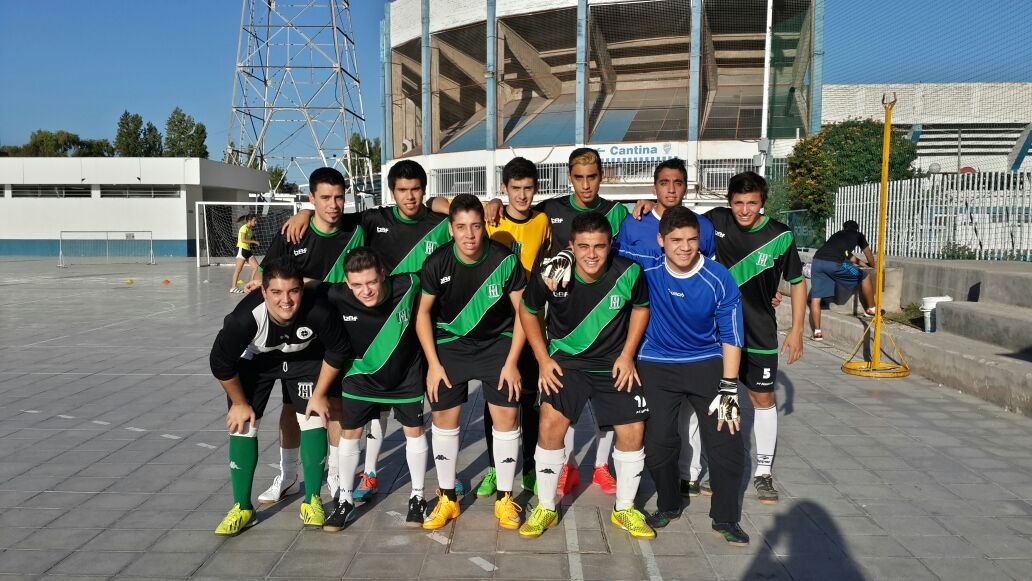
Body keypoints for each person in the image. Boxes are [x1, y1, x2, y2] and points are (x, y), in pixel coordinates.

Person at [283, 159, 456, 502]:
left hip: (423, 319)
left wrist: (447, 204)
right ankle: (371, 471)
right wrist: (304, 212)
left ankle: (444, 473)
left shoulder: (440, 219)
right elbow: (330, 215)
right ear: (392, 193)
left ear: (425, 191)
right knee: (378, 403)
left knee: (424, 399)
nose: (410, 197)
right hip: (379, 319)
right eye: (402, 191)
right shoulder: (375, 219)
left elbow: (451, 209)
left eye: (416, 190)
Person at [489, 147, 627, 497]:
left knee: (605, 401)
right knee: (555, 397)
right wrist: (491, 201)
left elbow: (638, 249)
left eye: (592, 177)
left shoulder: (618, 212)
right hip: (558, 323)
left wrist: (648, 207)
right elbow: (515, 212)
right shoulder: (549, 210)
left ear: (601, 175)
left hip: (605, 324)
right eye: (579, 178)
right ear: (569, 178)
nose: (586, 185)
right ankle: (561, 464)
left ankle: (600, 466)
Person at [617, 207, 750, 545]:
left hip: (706, 363)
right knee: (659, 444)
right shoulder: (647, 268)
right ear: (661, 241)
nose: (685, 247)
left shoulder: (719, 277)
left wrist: (730, 387)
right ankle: (669, 503)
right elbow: (597, 247)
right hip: (656, 363)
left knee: (728, 441)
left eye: (692, 240)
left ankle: (726, 517)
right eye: (676, 240)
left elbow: (731, 335)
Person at [517, 212, 654, 540]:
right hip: (567, 365)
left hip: (613, 366)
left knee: (634, 429)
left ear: (610, 246)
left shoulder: (630, 273)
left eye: (599, 246)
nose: (592, 254)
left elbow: (641, 308)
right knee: (550, 424)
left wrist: (627, 355)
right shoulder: (553, 274)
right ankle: (547, 506)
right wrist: (542, 359)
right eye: (584, 246)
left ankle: (624, 508)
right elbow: (527, 310)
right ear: (571, 246)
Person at [245, 167, 365, 507]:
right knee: (290, 408)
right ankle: (288, 476)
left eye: (339, 197)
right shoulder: (293, 234)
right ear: (311, 198)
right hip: (294, 338)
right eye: (324, 198)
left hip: (339, 334)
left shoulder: (359, 229)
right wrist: (304, 214)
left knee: (335, 407)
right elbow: (268, 275)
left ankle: (336, 476)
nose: (334, 204)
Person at [208, 260, 350, 536]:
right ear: (263, 291)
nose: (286, 300)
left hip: (305, 360)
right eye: (276, 292)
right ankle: (242, 507)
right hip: (256, 361)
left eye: (293, 291)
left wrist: (320, 395)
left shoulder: (318, 309)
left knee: (312, 418)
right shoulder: (244, 319)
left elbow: (337, 350)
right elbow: (220, 363)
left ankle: (312, 500)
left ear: (302, 290)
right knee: (244, 424)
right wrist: (238, 403)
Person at [415, 194, 528, 530]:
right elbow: (422, 314)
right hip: (450, 345)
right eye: (461, 227)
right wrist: (433, 364)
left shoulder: (504, 260)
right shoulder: (437, 263)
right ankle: (447, 498)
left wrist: (512, 362)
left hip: (497, 345)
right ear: (450, 229)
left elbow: (524, 312)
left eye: (475, 226)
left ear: (485, 227)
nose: (469, 234)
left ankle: (505, 498)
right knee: (443, 417)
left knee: (506, 416)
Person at [305, 248, 429, 531]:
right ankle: (345, 500)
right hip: (359, 377)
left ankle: (418, 496)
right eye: (357, 285)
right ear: (347, 284)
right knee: (350, 436)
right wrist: (259, 283)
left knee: (415, 433)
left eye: (372, 282)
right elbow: (305, 285)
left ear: (383, 275)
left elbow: (440, 275)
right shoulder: (337, 295)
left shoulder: (407, 284)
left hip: (405, 377)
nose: (366, 290)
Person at [613, 157, 715, 498]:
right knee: (655, 414)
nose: (671, 189)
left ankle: (690, 473)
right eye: (665, 183)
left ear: (686, 187)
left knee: (691, 414)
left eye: (679, 183)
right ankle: (653, 475)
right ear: (654, 187)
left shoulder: (703, 227)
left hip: (690, 336)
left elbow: (711, 276)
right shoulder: (634, 222)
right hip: (646, 336)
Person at [705, 171, 806, 505]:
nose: (744, 210)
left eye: (752, 203)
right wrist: (645, 205)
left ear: (763, 203)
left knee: (762, 400)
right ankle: (709, 469)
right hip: (718, 333)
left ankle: (764, 473)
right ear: (729, 202)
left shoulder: (781, 235)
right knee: (715, 398)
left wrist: (796, 330)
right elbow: (674, 225)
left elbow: (796, 282)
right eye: (738, 203)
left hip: (760, 331)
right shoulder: (715, 221)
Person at [476, 157, 552, 499]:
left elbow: (546, 263)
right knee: (497, 401)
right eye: (515, 189)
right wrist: (488, 203)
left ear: (536, 189)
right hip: (497, 324)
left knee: (531, 401)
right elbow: (444, 207)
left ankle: (531, 468)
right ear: (504, 189)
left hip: (532, 320)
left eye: (528, 188)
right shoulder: (490, 219)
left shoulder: (542, 221)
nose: (522, 196)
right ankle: (494, 467)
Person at [809, 220, 877, 340]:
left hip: (817, 262)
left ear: (844, 228)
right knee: (864, 277)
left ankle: (817, 332)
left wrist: (863, 264)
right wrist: (872, 265)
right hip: (836, 264)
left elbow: (849, 256)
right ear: (857, 229)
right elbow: (868, 254)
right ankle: (872, 309)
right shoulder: (858, 236)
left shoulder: (837, 235)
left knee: (816, 298)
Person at [230, 213, 259, 294]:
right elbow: (243, 240)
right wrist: (254, 241)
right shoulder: (244, 228)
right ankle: (233, 287)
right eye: (254, 220)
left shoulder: (250, 230)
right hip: (241, 250)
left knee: (257, 267)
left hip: (247, 250)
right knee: (238, 270)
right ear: (249, 220)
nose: (256, 222)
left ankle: (250, 285)